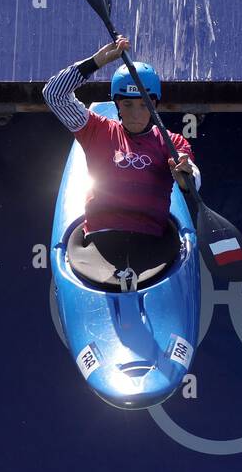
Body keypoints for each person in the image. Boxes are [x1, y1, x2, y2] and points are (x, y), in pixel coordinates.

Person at [42, 36, 198, 285]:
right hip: (99, 244)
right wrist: (96, 62)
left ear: (155, 104)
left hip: (151, 246)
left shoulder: (173, 142)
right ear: (116, 104)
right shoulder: (96, 129)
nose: (136, 113)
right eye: (127, 104)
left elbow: (191, 180)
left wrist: (185, 175)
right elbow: (54, 94)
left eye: (144, 104)